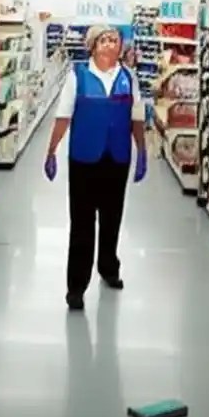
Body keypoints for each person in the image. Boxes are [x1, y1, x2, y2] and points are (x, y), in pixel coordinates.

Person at [44, 25, 147, 311]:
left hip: (117, 157)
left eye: (114, 39)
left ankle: (109, 267)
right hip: (84, 159)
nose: (109, 44)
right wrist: (51, 150)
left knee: (113, 218)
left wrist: (143, 151)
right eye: (103, 40)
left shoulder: (129, 77)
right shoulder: (77, 77)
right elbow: (63, 116)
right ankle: (76, 286)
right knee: (82, 223)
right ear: (92, 46)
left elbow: (137, 116)